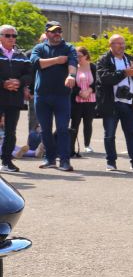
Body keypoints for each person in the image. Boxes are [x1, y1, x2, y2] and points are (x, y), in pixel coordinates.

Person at [95, 34, 133, 172]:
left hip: (129, 103)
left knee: (131, 134)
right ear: (110, 45)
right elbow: (104, 78)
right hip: (111, 103)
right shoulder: (103, 60)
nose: (122, 46)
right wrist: (124, 73)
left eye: (123, 43)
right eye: (118, 43)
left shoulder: (129, 59)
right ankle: (111, 162)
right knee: (110, 134)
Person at [30, 20, 78, 171]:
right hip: (42, 96)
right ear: (47, 33)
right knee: (45, 129)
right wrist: (57, 60)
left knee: (63, 129)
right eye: (54, 31)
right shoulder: (39, 48)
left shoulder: (68, 47)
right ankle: (49, 159)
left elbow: (72, 63)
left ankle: (64, 161)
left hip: (62, 96)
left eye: (59, 31)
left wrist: (71, 75)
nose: (57, 34)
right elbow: (36, 63)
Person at [0, 24, 33, 172]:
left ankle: (6, 162)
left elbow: (30, 74)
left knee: (11, 132)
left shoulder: (22, 56)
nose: (11, 38)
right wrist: (3, 84)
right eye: (7, 35)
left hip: (14, 99)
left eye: (14, 36)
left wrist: (19, 82)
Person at [69, 46, 98, 157]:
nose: (77, 58)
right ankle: (71, 146)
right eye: (75, 56)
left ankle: (87, 145)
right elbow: (71, 83)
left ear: (86, 56)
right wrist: (80, 92)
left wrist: (89, 90)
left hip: (91, 99)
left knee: (88, 123)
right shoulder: (73, 67)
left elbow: (97, 82)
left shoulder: (93, 67)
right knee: (75, 123)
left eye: (79, 56)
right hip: (76, 100)